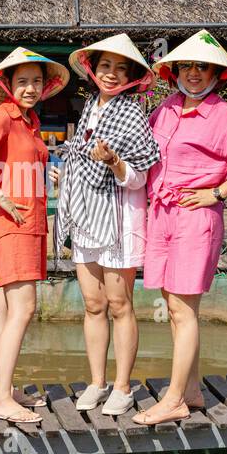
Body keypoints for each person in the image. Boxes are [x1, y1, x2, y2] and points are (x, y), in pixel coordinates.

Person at [135, 30, 227, 427]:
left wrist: (217, 192)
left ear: (216, 74)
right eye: (187, 66)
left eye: (202, 67)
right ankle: (192, 388)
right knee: (174, 306)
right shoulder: (165, 109)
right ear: (175, 70)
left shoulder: (224, 116)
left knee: (182, 308)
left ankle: (174, 398)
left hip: (195, 216)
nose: (193, 73)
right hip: (161, 215)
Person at [0, 47, 69, 425]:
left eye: (36, 81)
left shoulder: (30, 121)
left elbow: (18, 164)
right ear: (7, 85)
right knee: (24, 308)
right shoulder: (2, 116)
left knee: (7, 309)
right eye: (22, 81)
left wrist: (45, 175)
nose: (30, 88)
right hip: (13, 224)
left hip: (29, 221)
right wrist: (1, 194)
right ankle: (2, 398)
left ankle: (3, 388)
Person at [52, 33, 160, 415]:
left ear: (130, 75)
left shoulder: (131, 113)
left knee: (119, 304)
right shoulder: (89, 109)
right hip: (86, 218)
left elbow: (142, 174)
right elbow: (82, 157)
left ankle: (123, 386)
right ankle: (97, 382)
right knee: (93, 303)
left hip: (117, 219)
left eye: (120, 68)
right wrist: (68, 176)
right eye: (105, 67)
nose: (111, 75)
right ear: (93, 69)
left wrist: (115, 163)